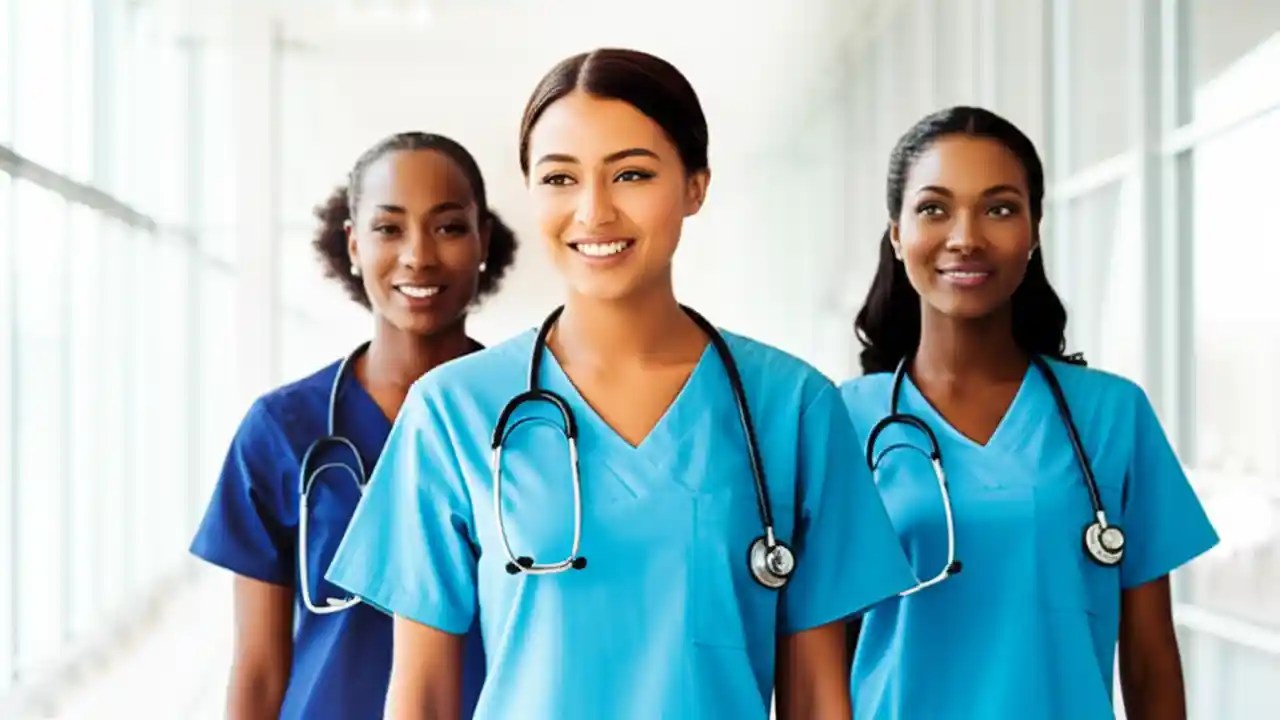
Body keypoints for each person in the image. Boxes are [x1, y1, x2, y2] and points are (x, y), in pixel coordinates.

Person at [326, 48, 914, 720]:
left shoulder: (793, 406)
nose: (594, 211)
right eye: (560, 178)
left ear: (695, 186)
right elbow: (423, 698)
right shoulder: (452, 411)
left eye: (631, 174)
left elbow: (816, 697)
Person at [841, 106, 1218, 719]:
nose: (965, 237)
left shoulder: (1112, 415)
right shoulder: (842, 423)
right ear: (896, 233)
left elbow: (1150, 659)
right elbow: (816, 663)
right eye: (934, 209)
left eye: (999, 209)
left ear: (1035, 230)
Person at [189, 131, 517, 719]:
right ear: (354, 244)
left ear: (483, 240)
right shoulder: (283, 430)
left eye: (448, 227)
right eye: (388, 228)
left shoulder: (534, 422)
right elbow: (259, 669)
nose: (418, 255)